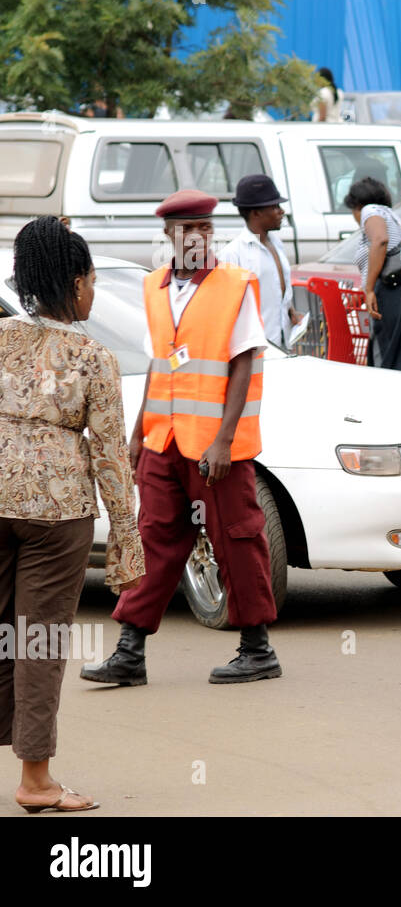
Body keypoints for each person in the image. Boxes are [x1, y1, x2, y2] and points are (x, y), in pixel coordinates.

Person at [81, 189, 282, 687]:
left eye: (205, 228)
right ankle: (130, 652)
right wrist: (137, 432)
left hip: (215, 448)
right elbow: (162, 363)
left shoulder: (236, 285)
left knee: (237, 539)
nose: (198, 237)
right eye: (187, 229)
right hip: (163, 441)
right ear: (169, 236)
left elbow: (243, 363)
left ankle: (257, 649)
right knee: (152, 540)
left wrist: (223, 440)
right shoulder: (154, 287)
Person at [1, 217, 145, 814]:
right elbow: (112, 456)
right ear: (73, 282)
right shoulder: (91, 357)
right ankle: (36, 781)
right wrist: (127, 543)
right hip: (58, 517)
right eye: (89, 280)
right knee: (37, 641)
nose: (91, 293)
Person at [347, 177, 401, 373]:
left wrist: (369, 289)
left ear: (357, 205)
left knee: (386, 362)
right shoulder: (391, 214)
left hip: (392, 291)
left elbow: (380, 240)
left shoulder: (369, 211)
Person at [217, 174, 302, 349]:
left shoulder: (276, 244)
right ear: (256, 213)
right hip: (255, 350)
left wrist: (290, 311)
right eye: (275, 207)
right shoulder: (233, 254)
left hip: (283, 346)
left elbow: (276, 291)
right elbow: (226, 310)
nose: (281, 211)